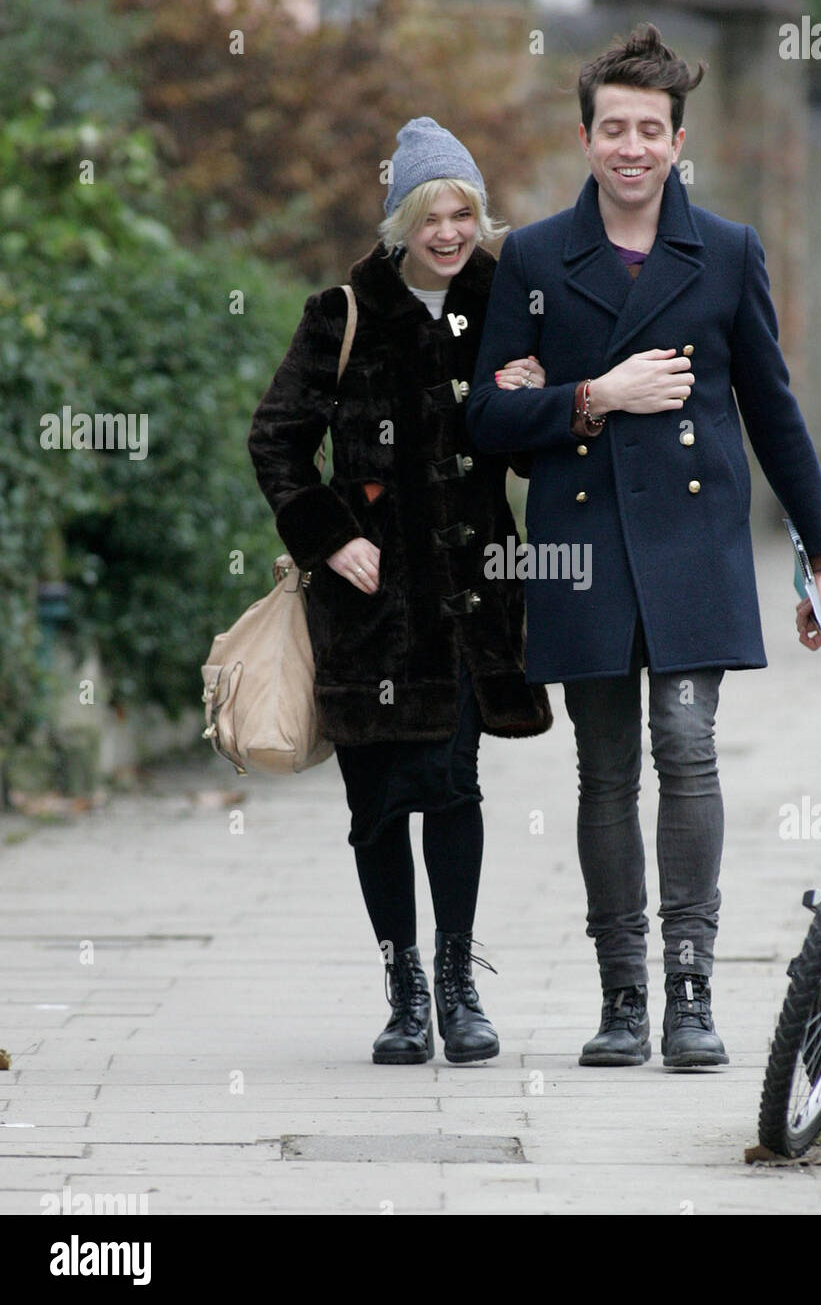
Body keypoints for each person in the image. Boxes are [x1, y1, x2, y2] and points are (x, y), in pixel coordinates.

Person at [466, 25, 821, 1068]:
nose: (630, 147)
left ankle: (689, 992)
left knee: (685, 745)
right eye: (612, 128)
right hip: (583, 549)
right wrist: (595, 396)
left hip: (694, 543)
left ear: (679, 141)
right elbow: (484, 420)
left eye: (649, 129)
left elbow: (771, 411)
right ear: (584, 138)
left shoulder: (725, 250)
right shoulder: (534, 257)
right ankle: (622, 999)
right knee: (602, 773)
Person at [248, 118, 552, 1066]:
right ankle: (405, 991)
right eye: (431, 215)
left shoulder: (505, 304)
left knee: (454, 788)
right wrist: (331, 536)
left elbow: (528, 454)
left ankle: (458, 985)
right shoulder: (341, 314)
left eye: (463, 213)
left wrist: (535, 396)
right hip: (368, 614)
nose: (449, 232)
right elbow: (276, 439)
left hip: (467, 605)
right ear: (400, 222)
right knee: (376, 806)